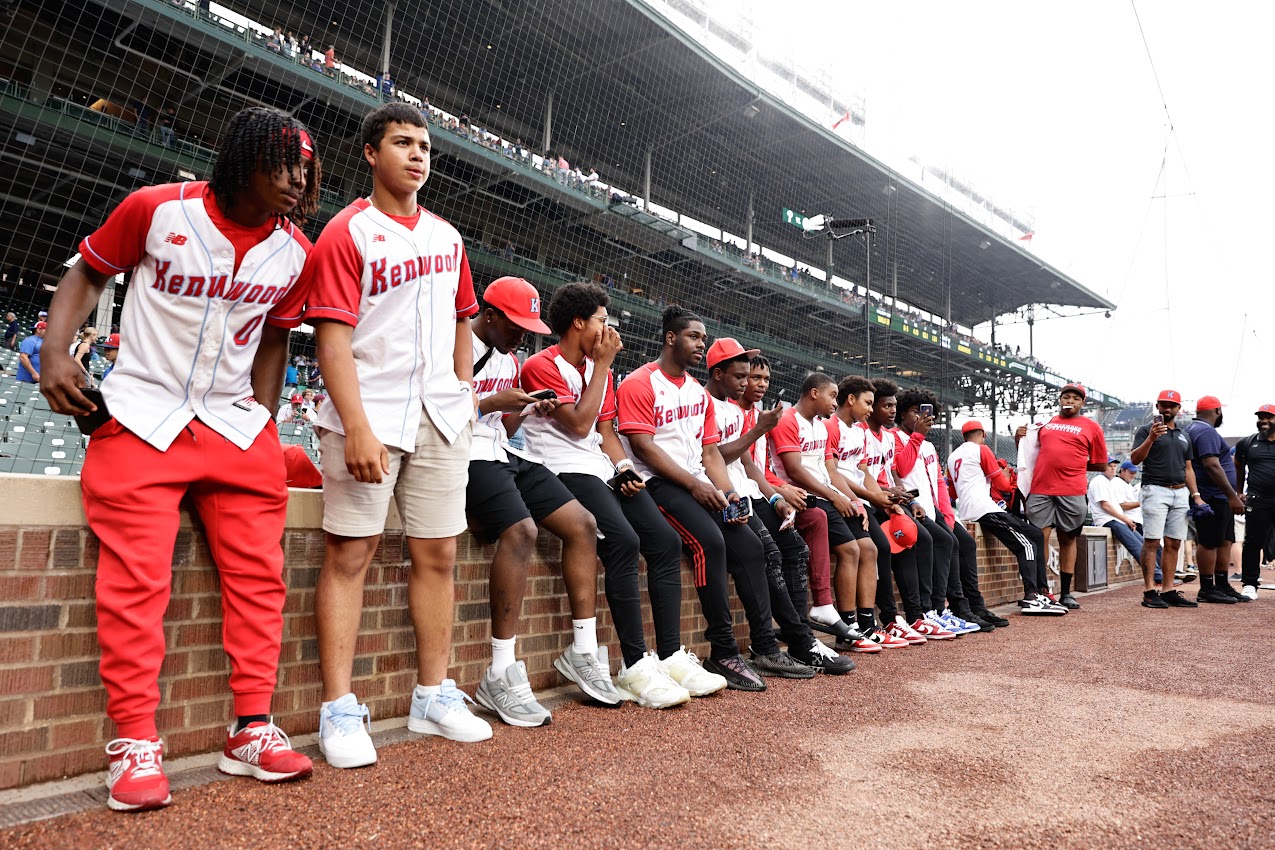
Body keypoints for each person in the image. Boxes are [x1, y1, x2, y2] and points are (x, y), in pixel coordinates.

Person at [38, 106, 321, 811]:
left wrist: (262, 416)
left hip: (232, 422)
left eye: (306, 168)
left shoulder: (297, 251)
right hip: (141, 410)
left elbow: (276, 340)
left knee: (261, 579)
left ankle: (250, 728)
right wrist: (53, 351)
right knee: (137, 580)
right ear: (244, 158)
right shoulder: (156, 209)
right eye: (283, 162)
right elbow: (86, 275)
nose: (297, 179)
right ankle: (134, 742)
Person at [307, 103, 491, 770]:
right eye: (403, 143)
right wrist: (354, 425)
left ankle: (432, 695)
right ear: (369, 153)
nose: (418, 155)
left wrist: (464, 390)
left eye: (424, 146)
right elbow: (330, 333)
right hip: (370, 410)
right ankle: (337, 707)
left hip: (440, 413)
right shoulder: (345, 231)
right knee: (350, 555)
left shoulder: (447, 236)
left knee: (438, 554)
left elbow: (463, 319)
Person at [519, 282, 709, 706]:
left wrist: (623, 468)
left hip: (599, 467)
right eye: (603, 321)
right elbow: (579, 426)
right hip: (559, 467)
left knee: (664, 541)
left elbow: (605, 432)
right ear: (578, 323)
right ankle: (634, 665)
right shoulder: (541, 364)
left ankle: (671, 654)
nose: (609, 330)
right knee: (624, 541)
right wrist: (604, 366)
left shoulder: (593, 367)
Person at [617, 306, 808, 690]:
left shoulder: (696, 394)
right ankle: (722, 650)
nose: (701, 344)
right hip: (656, 482)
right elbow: (643, 447)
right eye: (694, 337)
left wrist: (731, 494)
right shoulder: (639, 382)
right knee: (711, 542)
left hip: (698, 481)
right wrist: (696, 485)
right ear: (671, 338)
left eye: (703, 339)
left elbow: (710, 455)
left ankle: (764, 646)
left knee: (751, 546)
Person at [465, 276, 622, 726]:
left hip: (504, 449)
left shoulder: (511, 356)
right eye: (514, 324)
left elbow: (508, 425)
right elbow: (439, 406)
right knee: (523, 531)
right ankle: (499, 671)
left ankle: (584, 649)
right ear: (488, 314)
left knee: (583, 525)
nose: (521, 335)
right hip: (468, 452)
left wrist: (528, 409)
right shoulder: (459, 346)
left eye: (526, 327)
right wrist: (492, 401)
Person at [707, 349, 850, 674]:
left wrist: (775, 499)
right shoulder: (730, 411)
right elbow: (719, 459)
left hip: (752, 494)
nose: (755, 384)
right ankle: (785, 642)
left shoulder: (746, 413)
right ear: (722, 375)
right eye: (747, 377)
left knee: (796, 550)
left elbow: (751, 467)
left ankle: (801, 638)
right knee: (767, 553)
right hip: (723, 494)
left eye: (761, 378)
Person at [769, 372, 883, 653]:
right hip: (802, 496)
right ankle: (833, 611)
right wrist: (835, 496)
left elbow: (830, 471)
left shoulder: (820, 426)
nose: (836, 401)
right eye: (832, 395)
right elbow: (794, 470)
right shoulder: (788, 420)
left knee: (866, 548)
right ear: (813, 393)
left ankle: (857, 620)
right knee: (851, 549)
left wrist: (852, 499)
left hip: (825, 496)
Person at [823, 376, 914, 649]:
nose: (870, 409)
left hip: (856, 499)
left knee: (875, 549)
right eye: (868, 403)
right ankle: (848, 625)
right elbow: (834, 472)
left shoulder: (859, 431)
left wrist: (880, 498)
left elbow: (862, 472)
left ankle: (866, 622)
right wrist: (866, 498)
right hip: (838, 498)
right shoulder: (832, 426)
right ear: (850, 399)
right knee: (857, 550)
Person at [948, 422, 1063, 615]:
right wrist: (1007, 475)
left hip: (971, 509)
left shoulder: (952, 457)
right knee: (1026, 545)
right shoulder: (981, 449)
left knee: (1035, 534)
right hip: (984, 509)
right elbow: (1001, 485)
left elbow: (952, 492)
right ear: (983, 434)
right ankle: (1031, 596)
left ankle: (1042, 591)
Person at [893, 390, 982, 634]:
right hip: (910, 507)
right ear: (902, 413)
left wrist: (947, 514)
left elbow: (938, 482)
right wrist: (917, 436)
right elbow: (901, 468)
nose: (922, 418)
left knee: (962, 543)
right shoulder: (895, 437)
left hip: (932, 509)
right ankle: (934, 609)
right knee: (943, 542)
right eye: (915, 412)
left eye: (926, 414)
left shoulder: (929, 445)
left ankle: (957, 607)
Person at [1016, 383, 1108, 609]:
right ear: (1060, 399)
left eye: (1075, 398)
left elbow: (1101, 462)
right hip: (1041, 488)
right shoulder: (1044, 423)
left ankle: (1066, 592)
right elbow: (1026, 450)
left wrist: (1075, 464)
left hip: (1072, 489)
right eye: (1066, 396)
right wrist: (1018, 438)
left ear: (1082, 403)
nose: (1070, 400)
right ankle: (1040, 590)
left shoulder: (1092, 427)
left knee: (1068, 539)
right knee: (1039, 538)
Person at [1129, 390, 1207, 609]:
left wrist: (1196, 496)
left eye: (1172, 405)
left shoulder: (1184, 435)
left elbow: (1188, 468)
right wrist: (1152, 437)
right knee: (1152, 541)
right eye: (1163, 405)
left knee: (1174, 542)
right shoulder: (1146, 430)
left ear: (1178, 408)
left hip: (1181, 491)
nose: (1167, 409)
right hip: (1155, 489)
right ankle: (1149, 591)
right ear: (1157, 406)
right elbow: (1135, 459)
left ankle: (1169, 589)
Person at [1187, 396, 1248, 603]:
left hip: (1219, 496)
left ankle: (1221, 585)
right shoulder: (1204, 430)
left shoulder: (1196, 429)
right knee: (1209, 542)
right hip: (1212, 495)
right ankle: (1206, 588)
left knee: (1224, 540)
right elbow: (1211, 465)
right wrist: (1233, 496)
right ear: (1217, 411)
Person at [1090, 460, 1165, 584]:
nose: (1113, 469)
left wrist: (1125, 519)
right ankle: (1157, 575)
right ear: (1102, 467)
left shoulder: (1109, 482)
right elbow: (1105, 506)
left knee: (1148, 545)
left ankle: (1166, 573)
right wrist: (1125, 519)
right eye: (1110, 466)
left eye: (1114, 466)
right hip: (1106, 519)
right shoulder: (1099, 481)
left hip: (1118, 520)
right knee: (1137, 546)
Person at [1235, 404, 1275, 600]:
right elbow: (1238, 467)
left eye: (1269, 417)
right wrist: (1237, 492)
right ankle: (1250, 583)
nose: (1264, 420)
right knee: (1252, 542)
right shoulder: (1247, 442)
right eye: (1261, 417)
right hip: (1257, 499)